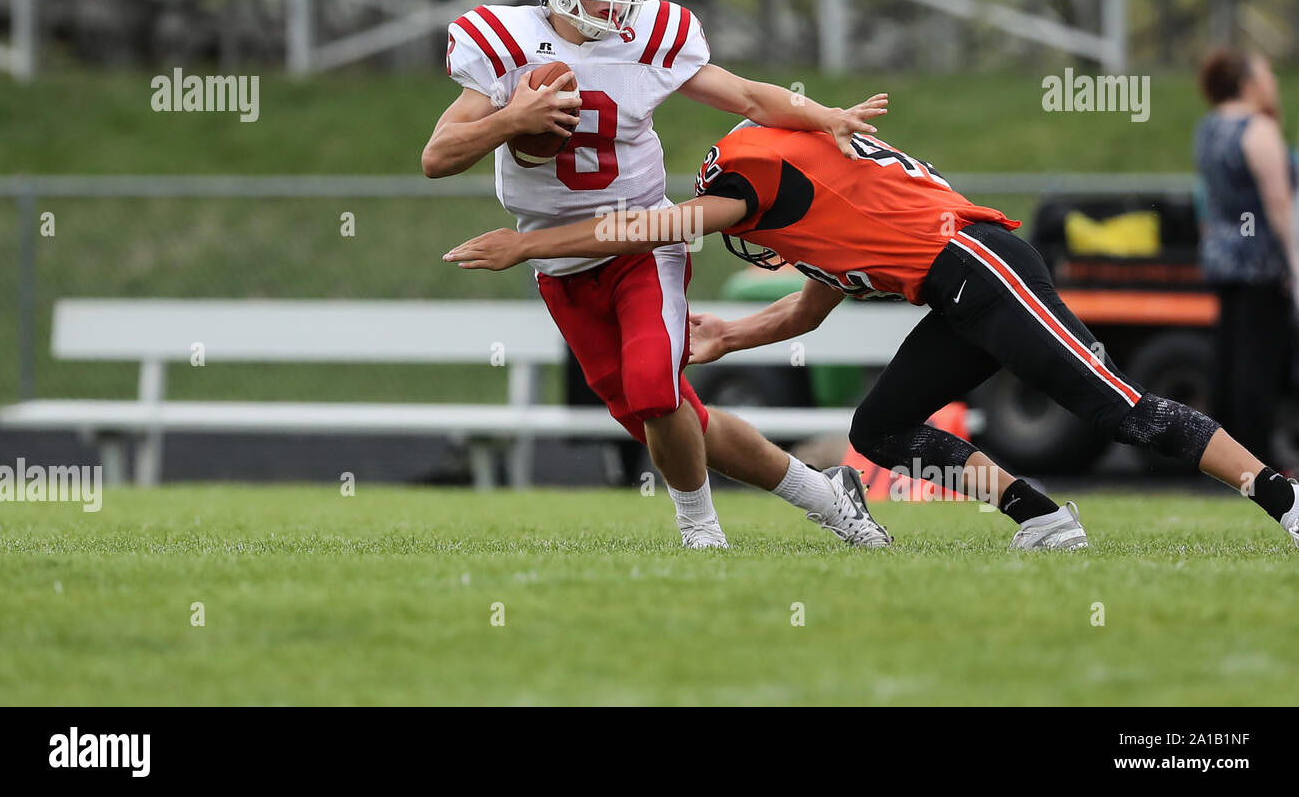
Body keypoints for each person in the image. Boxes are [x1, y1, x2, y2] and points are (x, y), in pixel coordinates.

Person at [446, 122, 1299, 551]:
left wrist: (528, 241)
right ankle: (1038, 517)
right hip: (959, 289)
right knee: (878, 430)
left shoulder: (762, 178)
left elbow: (649, 226)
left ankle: (1280, 495)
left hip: (981, 266)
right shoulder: (831, 200)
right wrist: (726, 338)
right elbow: (806, 311)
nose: (740, 226)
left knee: (1120, 410)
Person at [425, 0, 891, 549]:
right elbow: (437, 157)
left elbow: (751, 97)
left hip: (642, 245)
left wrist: (825, 116)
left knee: (654, 390)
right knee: (673, 416)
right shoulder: (501, 42)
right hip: (561, 270)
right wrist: (511, 120)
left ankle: (701, 532)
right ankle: (823, 492)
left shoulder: (652, 36)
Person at [1194, 49, 1297, 471]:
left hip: (1222, 257)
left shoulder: (1209, 127)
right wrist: (1294, 263)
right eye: (1267, 71)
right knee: (1259, 365)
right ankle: (1256, 465)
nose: (1272, 78)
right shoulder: (1258, 129)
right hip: (1258, 262)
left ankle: (1219, 459)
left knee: (1230, 361)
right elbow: (1277, 201)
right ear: (1248, 81)